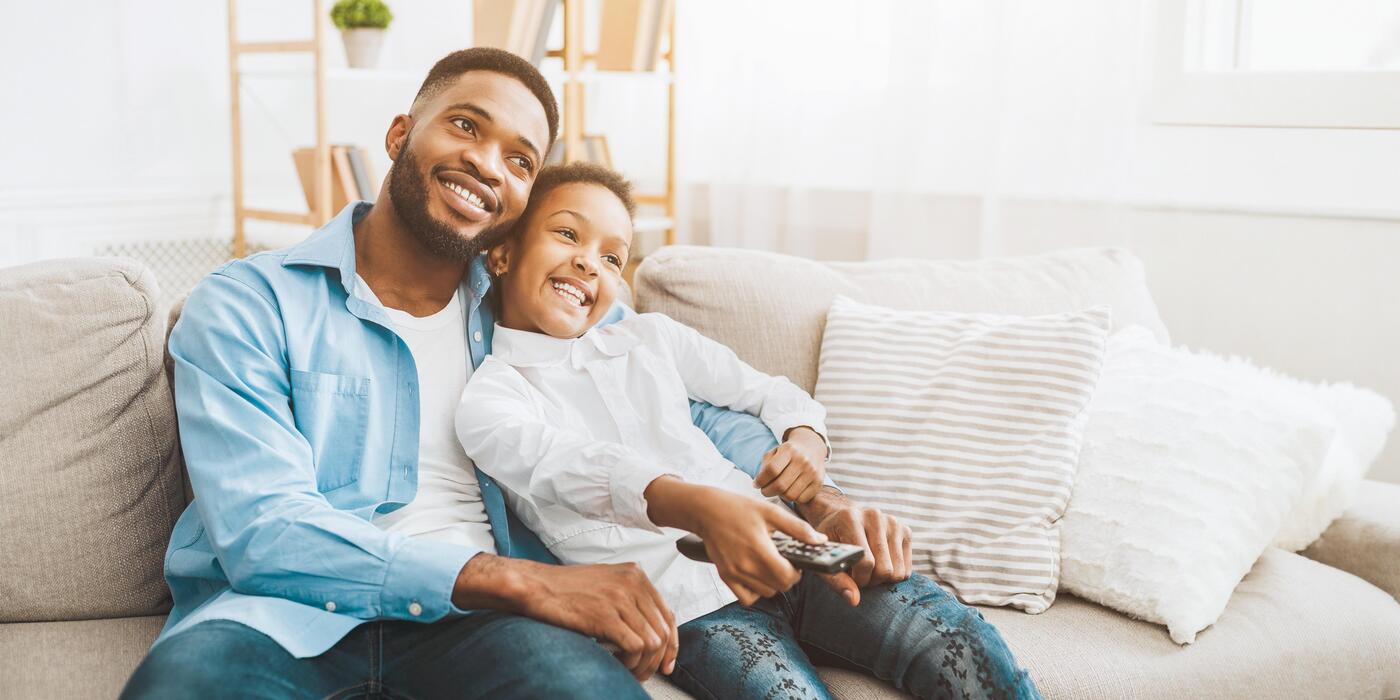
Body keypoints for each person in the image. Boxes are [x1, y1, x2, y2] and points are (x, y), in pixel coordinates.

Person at [121, 47, 918, 699]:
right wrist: (520, 583)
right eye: (464, 125)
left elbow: (693, 411)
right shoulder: (249, 303)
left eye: (519, 159)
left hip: (486, 630)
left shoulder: (534, 309)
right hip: (277, 618)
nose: (485, 163)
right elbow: (265, 532)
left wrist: (818, 493)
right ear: (402, 133)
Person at [456, 162, 1041, 700]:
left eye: (613, 257)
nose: (590, 262)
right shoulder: (492, 398)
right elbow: (571, 467)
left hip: (794, 552)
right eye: (568, 235)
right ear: (502, 255)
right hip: (690, 610)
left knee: (958, 642)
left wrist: (806, 439)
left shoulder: (652, 337)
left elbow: (771, 393)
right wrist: (698, 505)